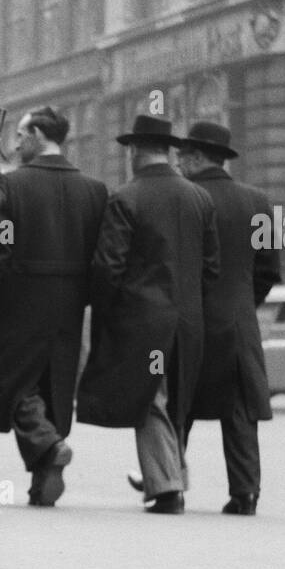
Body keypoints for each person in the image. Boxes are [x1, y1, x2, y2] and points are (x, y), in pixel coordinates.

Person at [0, 107, 107, 505]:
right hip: (72, 301)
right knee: (54, 383)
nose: (16, 142)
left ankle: (47, 444)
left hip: (22, 296)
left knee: (11, 382)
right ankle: (44, 473)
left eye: (22, 134)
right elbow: (103, 252)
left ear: (40, 134)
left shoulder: (15, 186)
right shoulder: (94, 191)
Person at [76, 115, 219, 514]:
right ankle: (175, 475)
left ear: (136, 151)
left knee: (150, 399)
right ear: (169, 150)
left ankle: (168, 487)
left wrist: (106, 310)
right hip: (188, 321)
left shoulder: (126, 198)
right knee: (175, 399)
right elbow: (212, 267)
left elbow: (109, 266)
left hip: (145, 323)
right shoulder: (199, 198)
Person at [174, 122, 281, 515]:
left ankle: (169, 485)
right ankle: (245, 493)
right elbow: (270, 270)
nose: (179, 162)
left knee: (179, 403)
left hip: (190, 319)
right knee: (239, 411)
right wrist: (242, 303)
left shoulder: (186, 197)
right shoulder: (258, 202)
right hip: (237, 323)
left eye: (183, 156)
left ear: (199, 157)